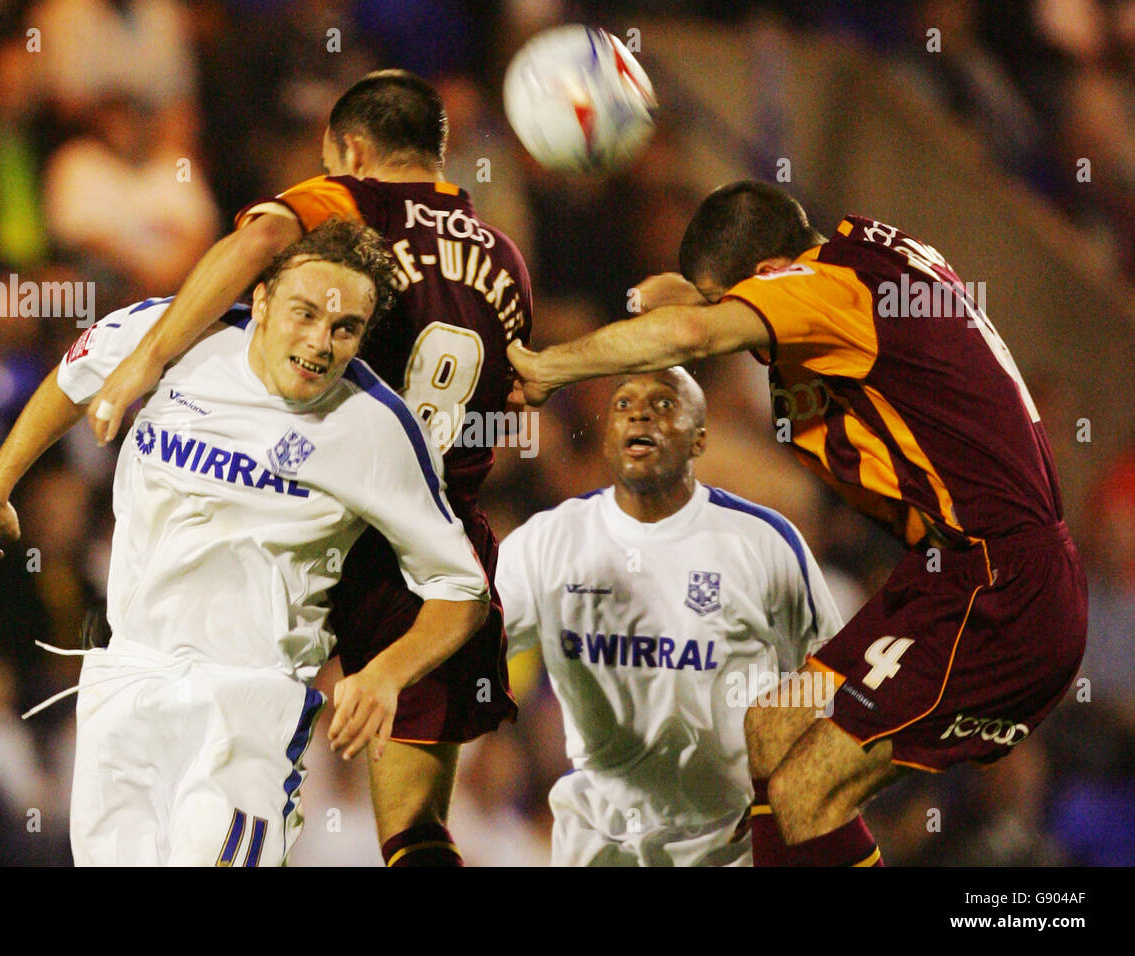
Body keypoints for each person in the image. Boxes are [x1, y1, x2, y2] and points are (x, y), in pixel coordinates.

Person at [508, 180, 1087, 867]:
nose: (751, 345)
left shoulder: (832, 289)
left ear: (772, 274)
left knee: (808, 792)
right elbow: (757, 313)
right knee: (773, 727)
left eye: (744, 313)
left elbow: (697, 331)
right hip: (958, 578)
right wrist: (713, 299)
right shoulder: (872, 258)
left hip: (1000, 593)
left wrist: (551, 365)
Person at [82, 70, 532, 866]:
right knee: (415, 835)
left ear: (350, 149)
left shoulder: (350, 206)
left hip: (310, 519)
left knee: (229, 762)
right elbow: (516, 390)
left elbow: (257, 241)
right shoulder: (505, 258)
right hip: (432, 554)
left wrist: (149, 361)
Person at [0, 219, 491, 865]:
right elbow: (73, 380)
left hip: (249, 710)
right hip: (127, 679)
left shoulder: (375, 430)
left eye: (345, 327)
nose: (321, 342)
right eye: (305, 313)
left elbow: (462, 591)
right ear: (262, 299)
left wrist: (385, 674)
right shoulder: (171, 337)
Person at [497, 368, 841, 866]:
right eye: (623, 408)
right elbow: (463, 633)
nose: (639, 418)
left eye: (661, 408)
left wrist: (777, 779)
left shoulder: (767, 545)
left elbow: (830, 684)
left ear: (699, 441)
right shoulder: (553, 540)